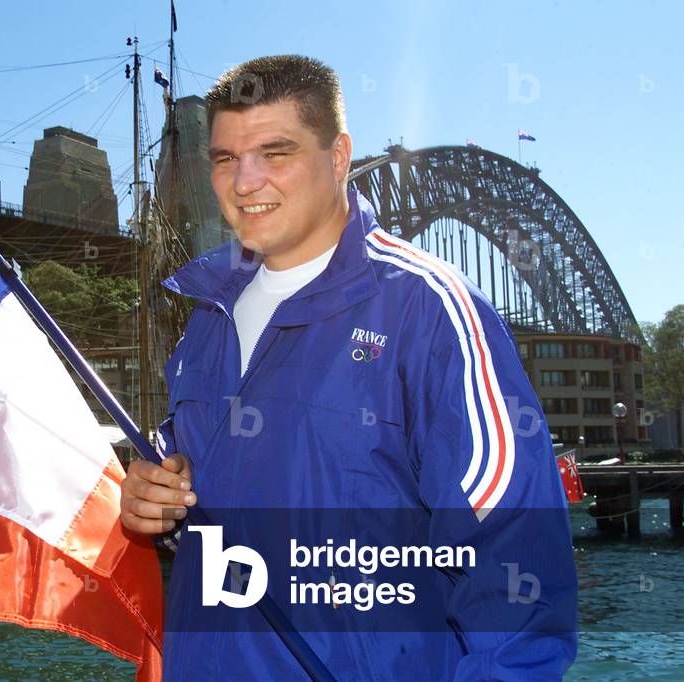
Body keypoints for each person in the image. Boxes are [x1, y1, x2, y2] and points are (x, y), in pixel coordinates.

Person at [120, 55, 577, 680]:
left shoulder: (427, 308)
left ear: (338, 156)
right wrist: (155, 501)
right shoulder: (207, 313)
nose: (245, 182)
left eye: (275, 153)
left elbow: (517, 568)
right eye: (226, 158)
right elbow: (197, 480)